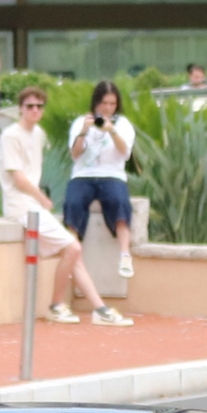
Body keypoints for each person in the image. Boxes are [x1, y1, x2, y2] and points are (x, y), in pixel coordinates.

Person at [1, 87, 127, 327]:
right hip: (21, 207)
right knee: (73, 248)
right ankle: (57, 306)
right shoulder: (10, 136)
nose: (35, 110)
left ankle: (99, 309)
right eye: (29, 106)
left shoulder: (38, 134)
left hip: (34, 206)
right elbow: (18, 178)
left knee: (73, 252)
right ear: (20, 109)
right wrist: (42, 198)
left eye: (39, 106)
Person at [63, 78, 135, 280]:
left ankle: (125, 254)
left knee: (119, 201)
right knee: (73, 203)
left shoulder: (123, 125)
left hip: (112, 174)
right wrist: (84, 131)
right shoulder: (81, 122)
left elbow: (125, 153)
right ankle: (73, 257)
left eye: (112, 104)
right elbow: (75, 154)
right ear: (96, 103)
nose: (108, 108)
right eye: (104, 103)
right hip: (83, 175)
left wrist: (112, 130)